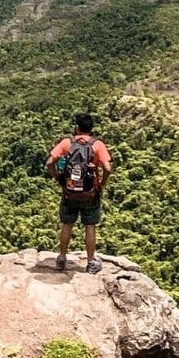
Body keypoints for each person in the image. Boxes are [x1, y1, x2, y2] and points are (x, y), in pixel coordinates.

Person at [45, 112, 112, 273]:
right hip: (90, 193)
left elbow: (49, 162)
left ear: (76, 127)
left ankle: (61, 259)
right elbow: (108, 168)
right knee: (90, 226)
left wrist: (58, 178)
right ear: (91, 129)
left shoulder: (67, 143)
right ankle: (90, 263)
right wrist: (102, 183)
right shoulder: (98, 145)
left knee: (67, 224)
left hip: (69, 192)